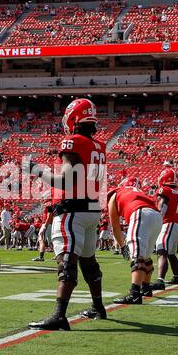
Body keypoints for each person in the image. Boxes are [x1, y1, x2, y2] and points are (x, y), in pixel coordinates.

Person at [29, 97, 108, 330]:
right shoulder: (99, 146)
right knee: (88, 260)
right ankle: (97, 307)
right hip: (92, 209)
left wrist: (37, 171)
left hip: (73, 209)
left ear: (73, 118)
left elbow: (65, 180)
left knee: (67, 260)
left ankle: (59, 315)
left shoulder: (73, 142)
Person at [108, 175, 162, 304]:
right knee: (146, 256)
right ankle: (146, 287)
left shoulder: (117, 193)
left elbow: (115, 226)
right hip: (156, 216)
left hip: (140, 213)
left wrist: (122, 246)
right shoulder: (140, 193)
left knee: (137, 255)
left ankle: (135, 293)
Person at [153, 167, 178, 286]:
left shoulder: (164, 190)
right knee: (171, 253)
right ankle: (176, 277)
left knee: (162, 251)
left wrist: (157, 218)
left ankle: (160, 280)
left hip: (168, 223)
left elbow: (162, 206)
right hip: (175, 224)